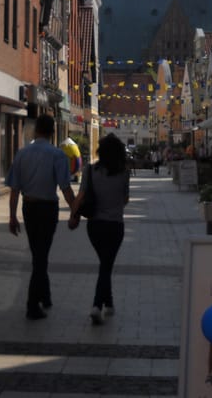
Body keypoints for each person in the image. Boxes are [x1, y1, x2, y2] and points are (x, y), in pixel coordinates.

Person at [6, 114, 77, 320]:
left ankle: (45, 296)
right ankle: (32, 305)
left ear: (36, 130)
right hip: (48, 209)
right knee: (40, 256)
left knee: (38, 253)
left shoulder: (22, 154)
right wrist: (74, 212)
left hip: (29, 208)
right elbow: (65, 188)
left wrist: (12, 216)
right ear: (52, 132)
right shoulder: (57, 155)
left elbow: (14, 190)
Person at [69, 133, 130, 324]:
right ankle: (97, 305)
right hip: (115, 225)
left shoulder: (90, 170)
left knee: (105, 263)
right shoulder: (124, 172)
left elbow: (81, 196)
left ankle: (108, 303)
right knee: (106, 264)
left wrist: (73, 216)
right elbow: (125, 200)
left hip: (95, 226)